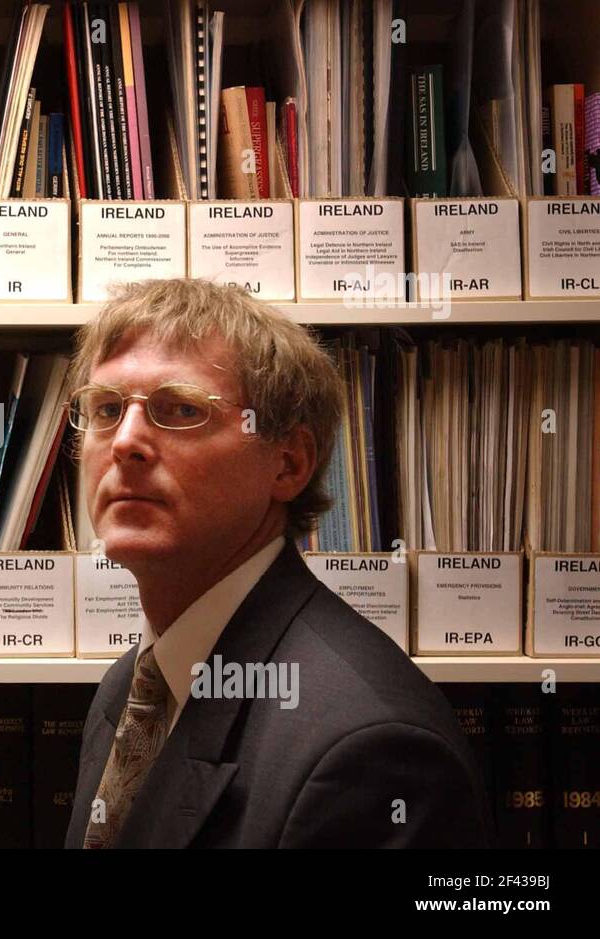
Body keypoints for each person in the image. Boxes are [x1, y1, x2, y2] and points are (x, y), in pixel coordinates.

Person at [64, 278, 492, 848]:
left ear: (288, 464)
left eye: (180, 409)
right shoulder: (134, 685)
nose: (125, 441)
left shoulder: (371, 752)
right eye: (107, 408)